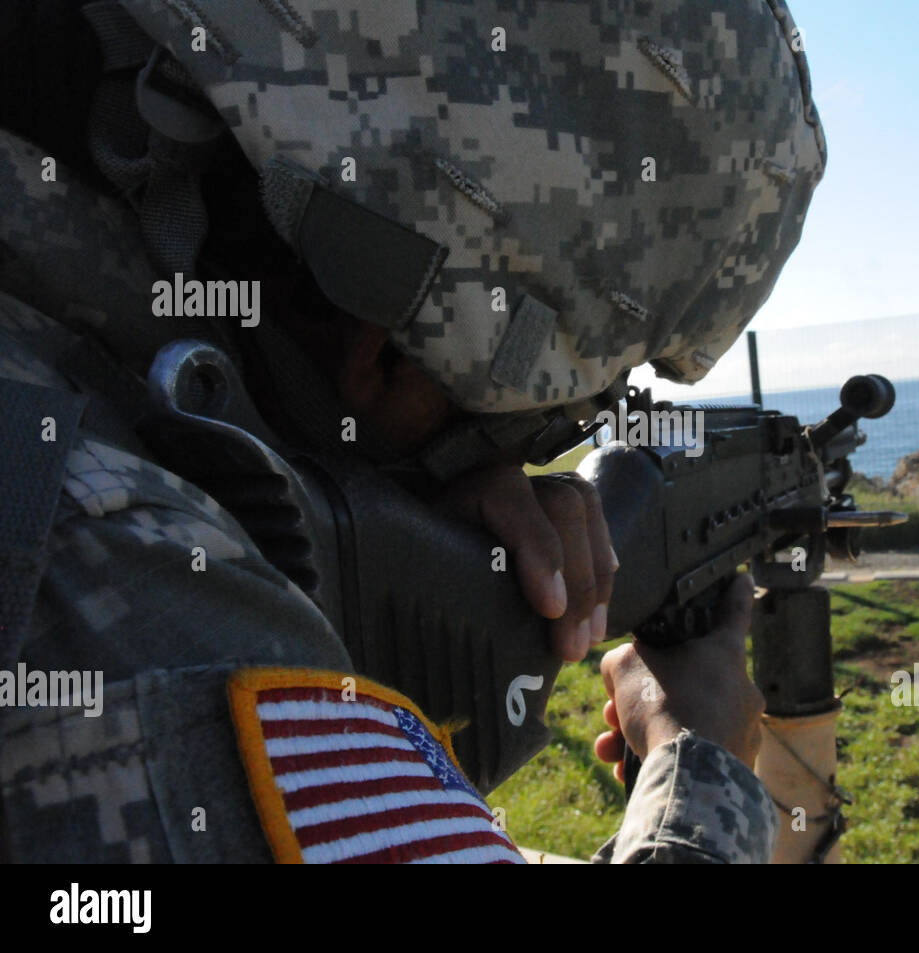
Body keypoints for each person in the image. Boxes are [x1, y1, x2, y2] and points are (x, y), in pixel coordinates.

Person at [0, 0, 825, 863]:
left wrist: (413, 477)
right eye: (540, 421)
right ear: (383, 357)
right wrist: (699, 765)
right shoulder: (102, 550)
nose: (520, 457)